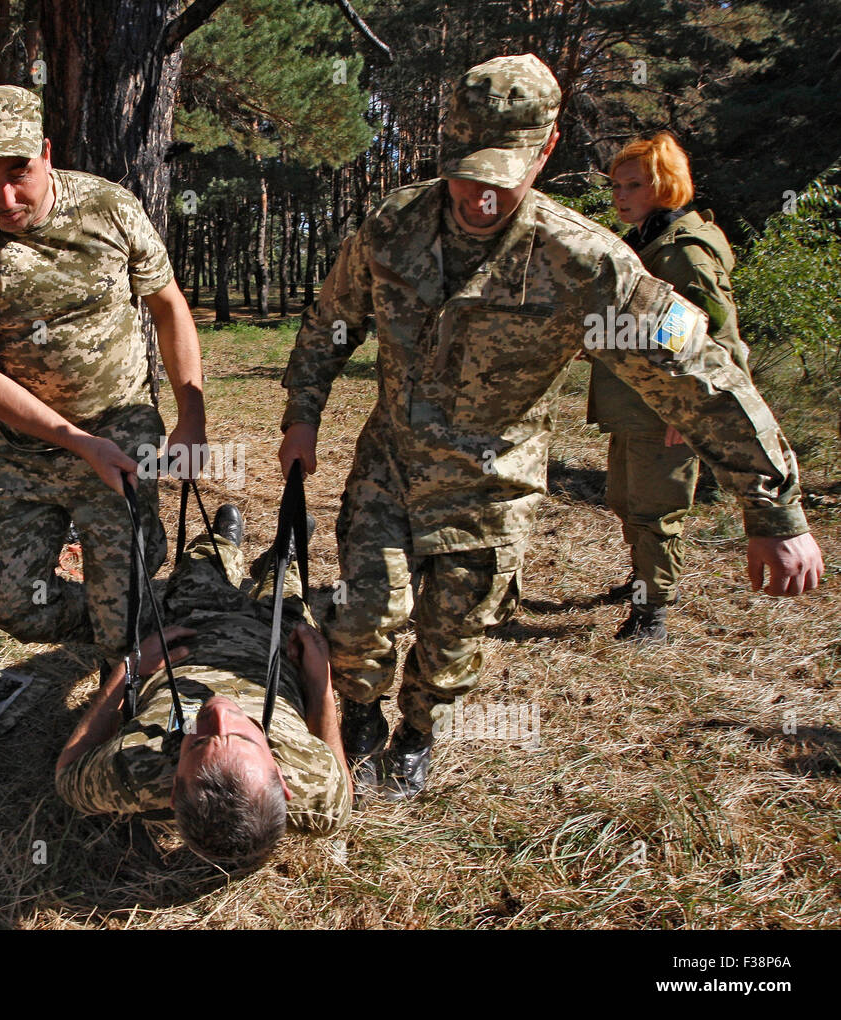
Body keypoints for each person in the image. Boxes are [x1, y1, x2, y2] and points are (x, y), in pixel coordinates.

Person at [276, 55, 824, 801]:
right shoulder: (393, 228)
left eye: (505, 174)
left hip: (492, 487)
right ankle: (362, 715)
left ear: (548, 148)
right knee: (364, 617)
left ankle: (417, 735)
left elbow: (698, 372)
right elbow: (331, 326)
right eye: (468, 172)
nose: (481, 197)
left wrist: (772, 507)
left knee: (452, 638)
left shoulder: (583, 266)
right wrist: (303, 413)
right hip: (391, 470)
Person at [0, 85, 207, 664]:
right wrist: (77, 443)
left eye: (19, 172)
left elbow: (168, 306)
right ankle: (120, 618)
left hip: (122, 430)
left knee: (122, 624)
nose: (4, 196)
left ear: (47, 154)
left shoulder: (108, 208)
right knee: (14, 609)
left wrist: (191, 417)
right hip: (28, 448)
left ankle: (124, 645)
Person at [55, 506, 352, 872]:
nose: (219, 711)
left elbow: (67, 773)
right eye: (244, 739)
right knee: (285, 589)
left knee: (197, 567)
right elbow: (340, 785)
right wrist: (320, 684)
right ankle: (280, 558)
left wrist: (128, 669)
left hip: (196, 625)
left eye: (196, 740)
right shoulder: (315, 791)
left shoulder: (138, 772)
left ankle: (222, 541)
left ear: (175, 788)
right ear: (282, 782)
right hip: (277, 642)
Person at [587, 132, 750, 643]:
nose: (619, 196)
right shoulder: (645, 241)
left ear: (664, 186)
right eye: (615, 185)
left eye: (632, 185)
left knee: (657, 508)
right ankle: (643, 581)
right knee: (624, 498)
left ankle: (652, 611)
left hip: (669, 406)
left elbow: (720, 340)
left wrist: (693, 413)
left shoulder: (684, 254)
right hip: (637, 401)